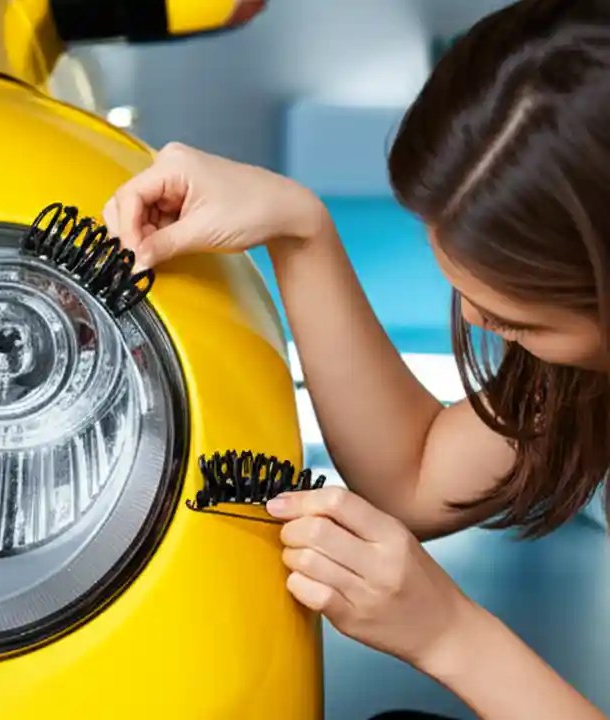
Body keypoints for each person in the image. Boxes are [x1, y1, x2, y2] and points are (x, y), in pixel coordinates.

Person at [102, 1, 609, 718]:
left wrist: (452, 636)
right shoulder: (581, 375)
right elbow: (417, 476)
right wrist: (297, 229)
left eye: (522, 320)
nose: (473, 321)